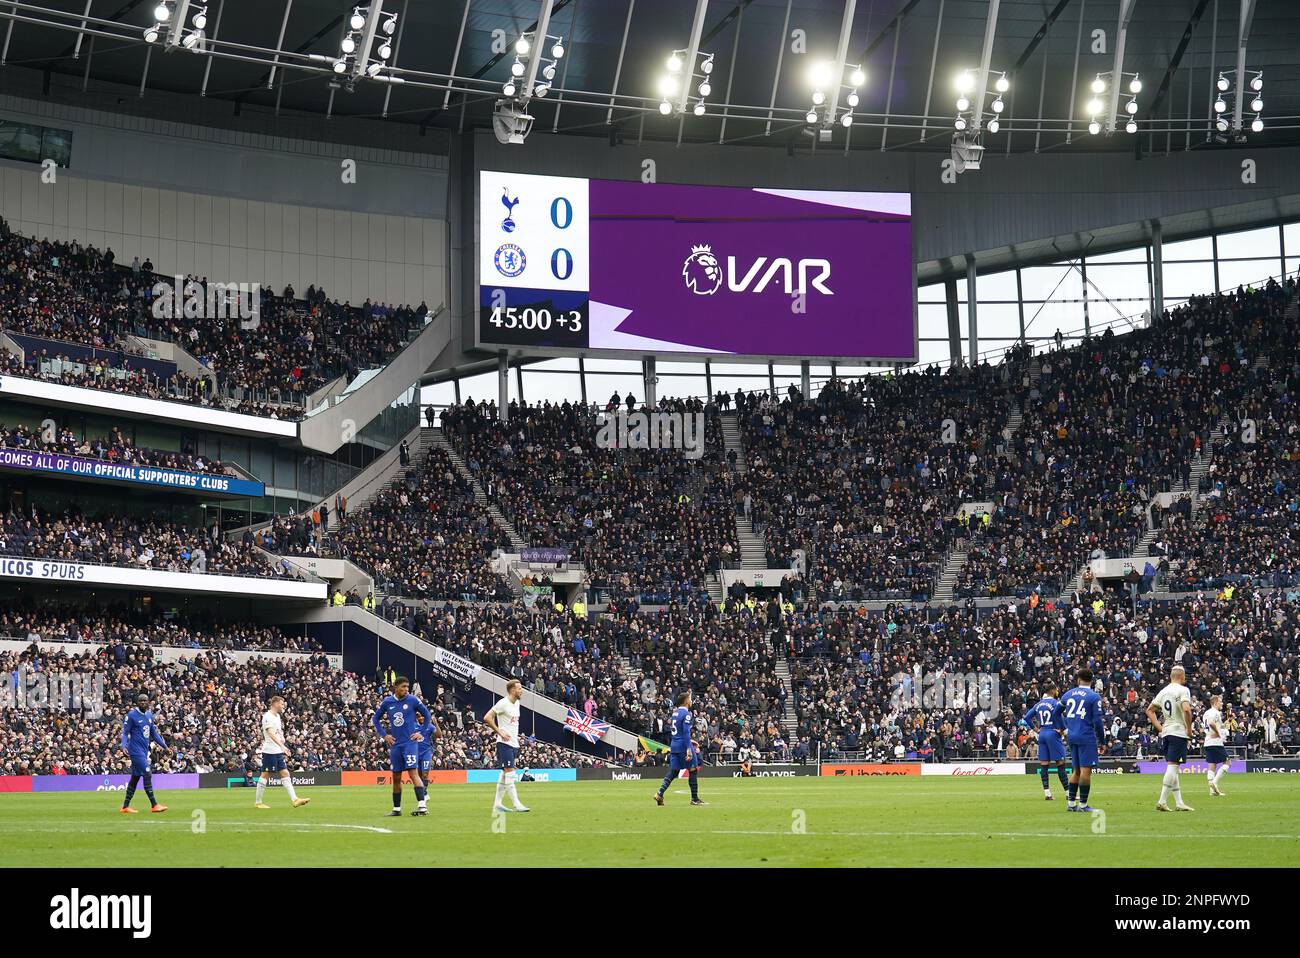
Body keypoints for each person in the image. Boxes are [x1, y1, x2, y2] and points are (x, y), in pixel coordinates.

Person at [371, 676, 432, 817]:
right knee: (396, 776)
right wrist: (384, 735)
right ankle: (396, 809)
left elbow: (427, 715)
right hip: (396, 745)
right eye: (403, 686)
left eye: (407, 686)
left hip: (409, 743)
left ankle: (422, 806)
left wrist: (421, 732)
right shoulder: (388, 702)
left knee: (413, 773)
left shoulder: (412, 700)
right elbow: (376, 718)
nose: (406, 689)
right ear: (396, 687)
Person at [1147, 665, 1195, 812]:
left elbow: (1149, 710)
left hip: (1167, 732)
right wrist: (1189, 729)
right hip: (1178, 731)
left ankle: (1179, 802)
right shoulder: (1183, 690)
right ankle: (1162, 801)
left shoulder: (1164, 691)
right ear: (1182, 676)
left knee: (1173, 766)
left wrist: (1160, 727)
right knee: (1173, 767)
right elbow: (1186, 709)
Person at [254, 695, 311, 809]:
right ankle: (258, 802)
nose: (283, 705)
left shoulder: (277, 717)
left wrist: (283, 742)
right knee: (265, 774)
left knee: (285, 773)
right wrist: (281, 745)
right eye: (281, 703)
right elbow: (270, 732)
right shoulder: (267, 716)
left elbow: (278, 731)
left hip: (277, 750)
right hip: (270, 751)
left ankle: (295, 800)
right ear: (275, 703)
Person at [1061, 669, 1104, 813]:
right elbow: (1098, 721)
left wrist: (1065, 730)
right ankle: (1083, 805)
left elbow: (1056, 713)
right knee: (1086, 771)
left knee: (1076, 771)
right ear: (1091, 680)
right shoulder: (1094, 696)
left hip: (1072, 736)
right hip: (1086, 736)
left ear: (1078, 679)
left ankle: (1071, 804)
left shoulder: (1068, 694)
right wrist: (1102, 741)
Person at [484, 679, 529, 814]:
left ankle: (497, 804)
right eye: (520, 688)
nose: (522, 690)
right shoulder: (503, 703)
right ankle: (516, 804)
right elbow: (487, 717)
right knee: (510, 773)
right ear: (513, 690)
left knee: (504, 774)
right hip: (504, 743)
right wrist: (499, 731)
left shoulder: (517, 703)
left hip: (513, 743)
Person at [119, 692, 169, 814]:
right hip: (135, 750)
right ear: (137, 702)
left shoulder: (149, 715)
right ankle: (154, 804)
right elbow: (125, 733)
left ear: (148, 702)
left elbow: (154, 733)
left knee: (135, 777)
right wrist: (123, 745)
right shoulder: (132, 715)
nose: (143, 702)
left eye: (145, 700)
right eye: (141, 701)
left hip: (144, 750)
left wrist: (164, 746)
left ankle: (125, 807)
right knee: (147, 773)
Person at [654, 690, 705, 806]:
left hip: (675, 745)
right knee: (693, 770)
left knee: (673, 771)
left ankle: (659, 793)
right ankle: (694, 798)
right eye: (690, 698)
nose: (691, 700)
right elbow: (686, 731)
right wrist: (688, 748)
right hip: (683, 746)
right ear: (686, 701)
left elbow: (679, 732)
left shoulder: (675, 713)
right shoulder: (687, 714)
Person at [1024, 681, 1069, 800]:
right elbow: (1058, 716)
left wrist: (1036, 729)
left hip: (1042, 733)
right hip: (1053, 733)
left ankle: (1047, 794)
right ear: (1053, 691)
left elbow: (1027, 717)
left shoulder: (1038, 704)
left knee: (1044, 765)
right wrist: (1063, 730)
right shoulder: (1055, 703)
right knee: (1061, 764)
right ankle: (1069, 794)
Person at [1203, 694, 1229, 797]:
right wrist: (1218, 733)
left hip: (1208, 741)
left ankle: (1212, 790)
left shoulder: (1206, 712)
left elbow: (1207, 725)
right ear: (1215, 703)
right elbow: (1211, 723)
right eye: (1220, 701)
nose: (1222, 703)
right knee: (1228, 762)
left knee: (1212, 764)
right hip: (1216, 742)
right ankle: (1214, 782)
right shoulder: (1215, 713)